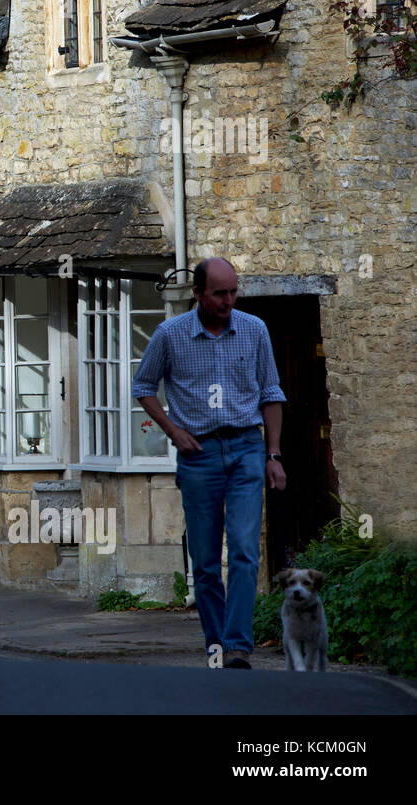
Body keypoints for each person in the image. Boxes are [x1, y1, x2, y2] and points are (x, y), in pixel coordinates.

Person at [132, 257, 287, 669]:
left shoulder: (254, 329)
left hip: (246, 449)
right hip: (198, 455)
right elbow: (143, 385)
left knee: (243, 550)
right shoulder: (171, 334)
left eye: (234, 291)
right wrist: (172, 430)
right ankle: (215, 644)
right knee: (203, 562)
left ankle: (238, 645)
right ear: (198, 293)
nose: (228, 300)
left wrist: (273, 454)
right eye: (219, 293)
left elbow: (271, 392)